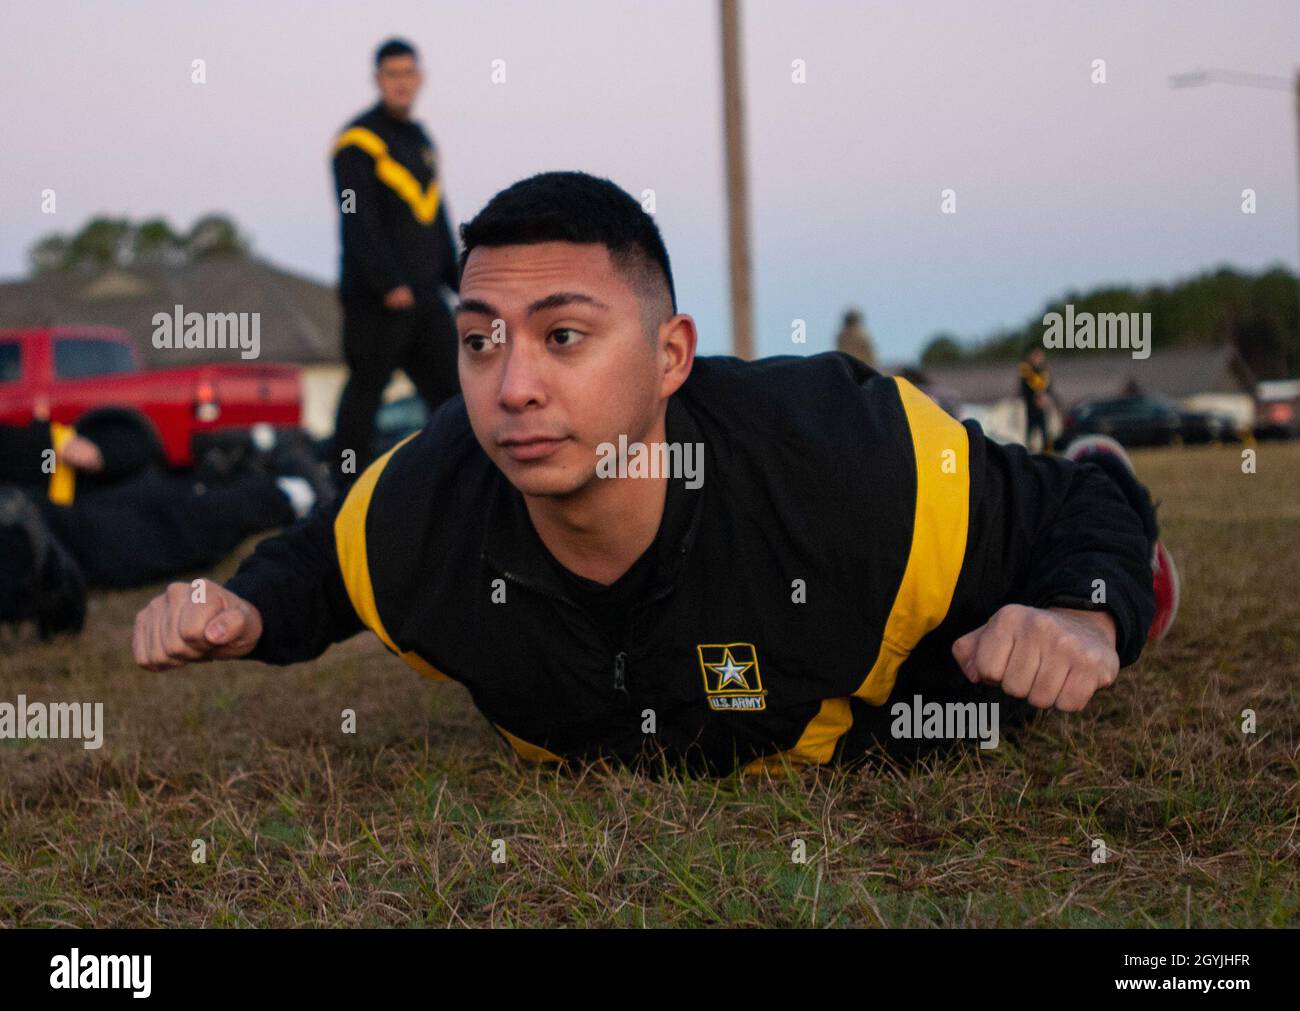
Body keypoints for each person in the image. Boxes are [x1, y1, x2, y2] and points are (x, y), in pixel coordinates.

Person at [133, 172, 1177, 777]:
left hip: (902, 708)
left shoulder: (844, 460)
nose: (513, 387)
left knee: (1092, 602)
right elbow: (325, 563)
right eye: (481, 340)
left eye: (564, 336)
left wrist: (1081, 615)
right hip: (693, 722)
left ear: (671, 355)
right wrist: (245, 610)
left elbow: (1081, 512)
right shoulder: (422, 504)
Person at [0, 414, 320, 638]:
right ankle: (291, 489)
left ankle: (280, 471)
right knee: (175, 523)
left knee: (175, 505)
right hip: (69, 529)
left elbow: (87, 452)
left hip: (73, 505)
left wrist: (67, 448)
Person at [328, 37, 462, 484]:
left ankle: (460, 481)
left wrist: (461, 282)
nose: (401, 83)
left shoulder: (420, 141)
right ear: (378, 80)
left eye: (408, 73)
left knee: (454, 393)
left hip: (425, 296)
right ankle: (342, 489)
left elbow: (437, 221)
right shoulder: (357, 141)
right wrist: (388, 282)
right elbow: (356, 219)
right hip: (379, 300)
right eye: (392, 74)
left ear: (419, 78)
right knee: (365, 394)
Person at [1018, 345, 1053, 451]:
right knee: (1030, 431)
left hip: (1042, 406)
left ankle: (1047, 452)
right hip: (1031, 405)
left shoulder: (1044, 371)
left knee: (1045, 431)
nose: (1039, 359)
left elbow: (1049, 387)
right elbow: (1025, 388)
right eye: (1036, 356)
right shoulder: (1026, 370)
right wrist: (1035, 398)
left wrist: (1046, 397)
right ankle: (1028, 452)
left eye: (1040, 356)